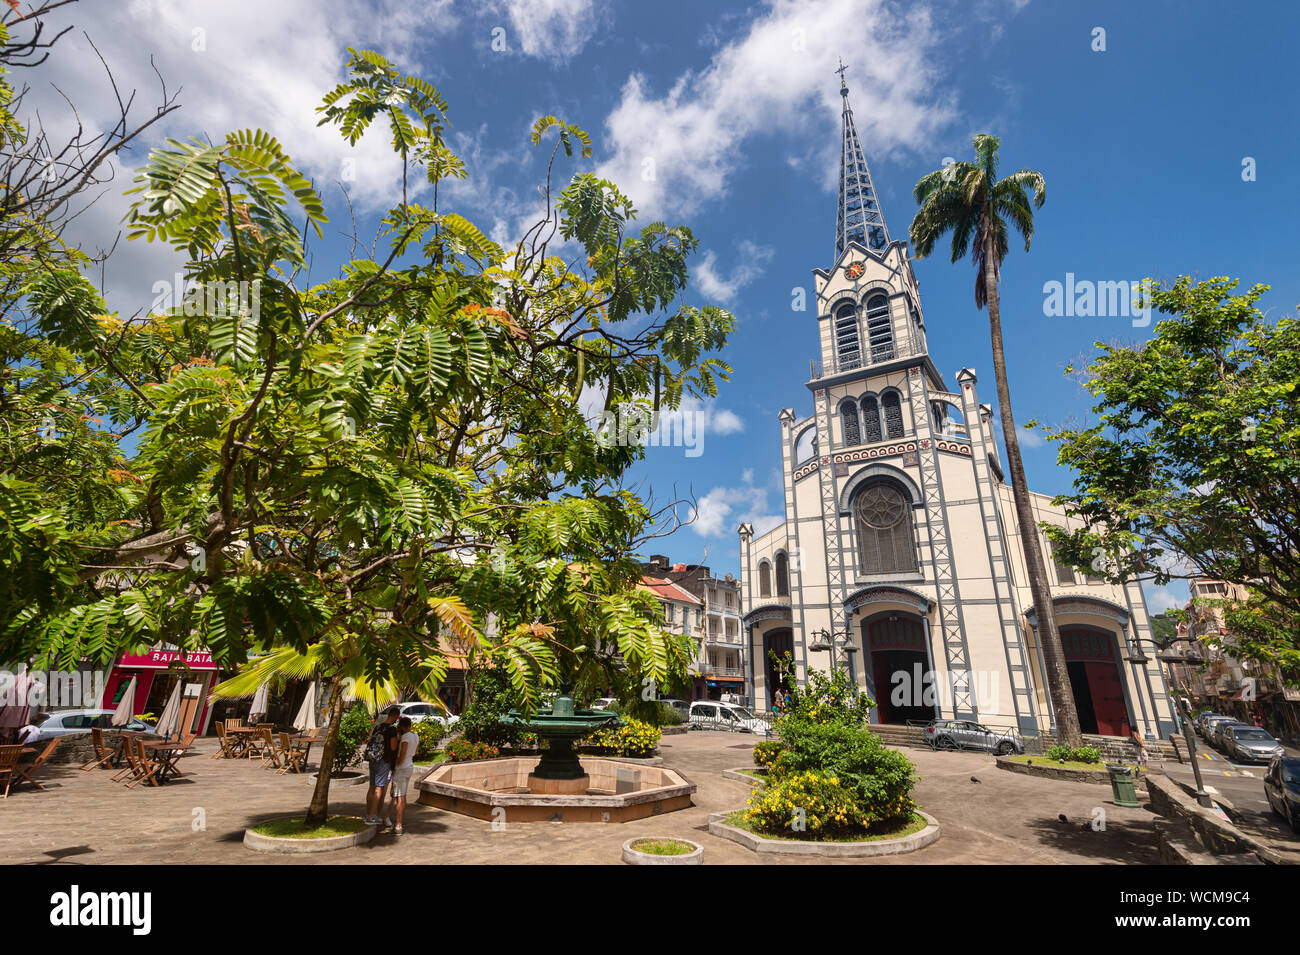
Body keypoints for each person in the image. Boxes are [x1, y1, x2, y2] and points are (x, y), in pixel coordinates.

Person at [364, 707, 400, 826]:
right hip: (383, 760)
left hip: (372, 758)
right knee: (379, 788)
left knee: (372, 787)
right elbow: (393, 747)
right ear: (395, 717)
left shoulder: (378, 726)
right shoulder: (392, 730)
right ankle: (371, 817)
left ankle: (369, 813)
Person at [386, 717, 419, 834]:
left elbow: (403, 754)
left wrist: (397, 764)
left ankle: (398, 824)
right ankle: (387, 817)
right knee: (395, 793)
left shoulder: (405, 737)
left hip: (401, 767)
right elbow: (415, 752)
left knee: (400, 796)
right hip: (410, 766)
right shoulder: (415, 736)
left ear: (403, 726)